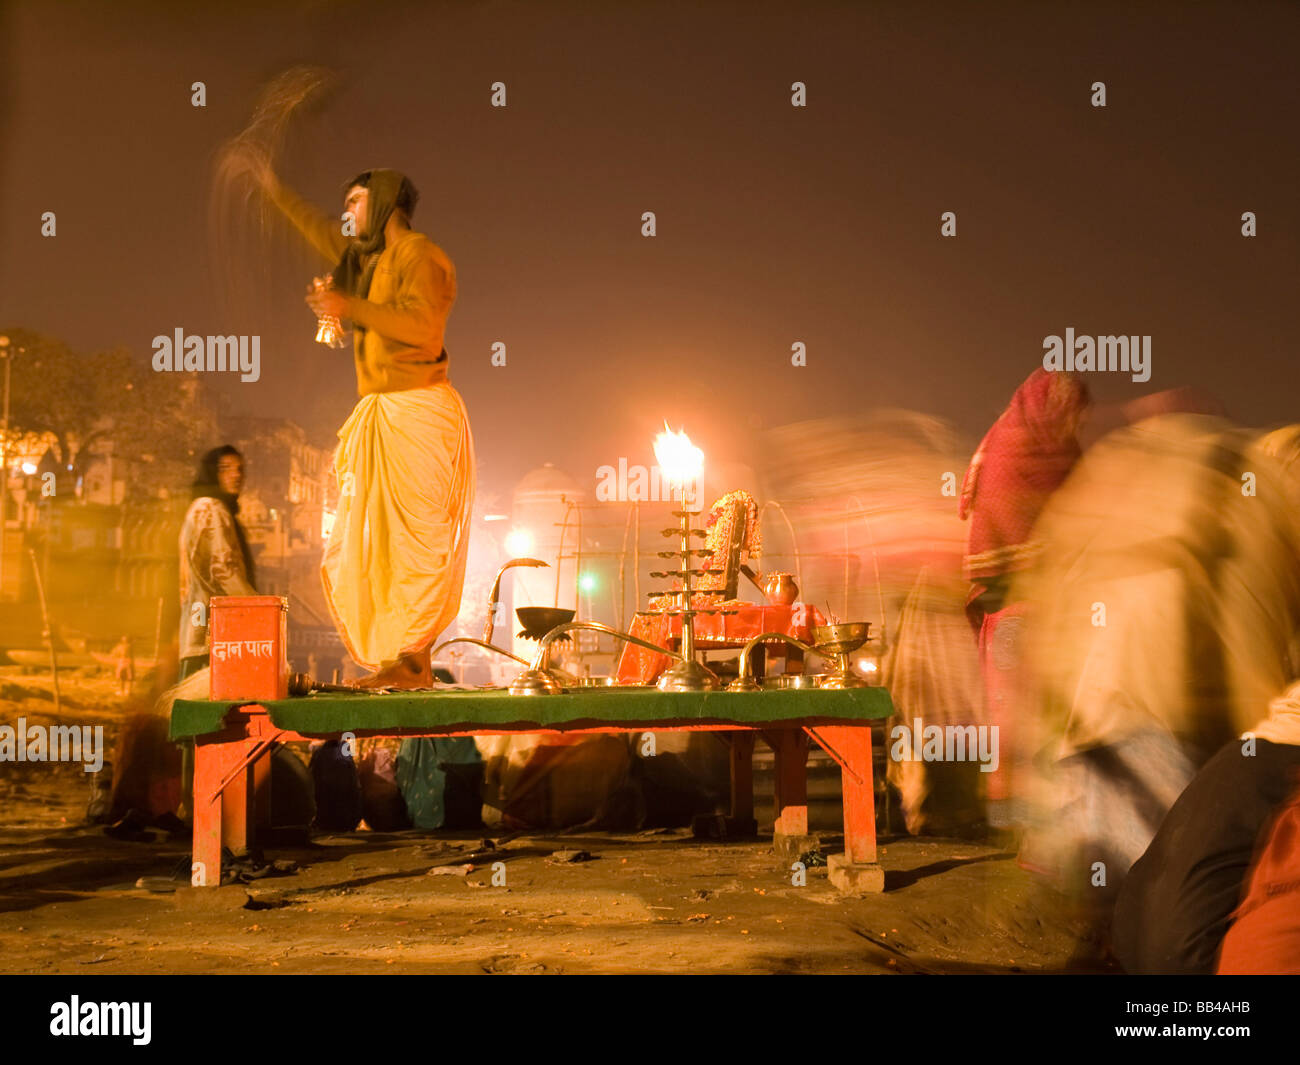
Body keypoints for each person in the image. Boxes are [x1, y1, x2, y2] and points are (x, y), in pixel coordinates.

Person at [239, 154, 475, 689]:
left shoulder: (420, 255)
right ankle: (401, 660)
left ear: (386, 202)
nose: (343, 211)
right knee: (376, 547)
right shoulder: (365, 260)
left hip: (419, 411)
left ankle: (413, 663)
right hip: (384, 412)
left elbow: (423, 327)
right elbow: (317, 228)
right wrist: (273, 187)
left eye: (354, 202)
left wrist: (350, 307)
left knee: (416, 548)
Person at [958, 368, 1090, 824]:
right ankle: (1027, 820)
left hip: (1015, 608)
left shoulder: (1011, 437)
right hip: (1025, 608)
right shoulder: (1026, 445)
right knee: (1030, 710)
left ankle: (1017, 813)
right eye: (1070, 410)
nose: (1073, 421)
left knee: (1019, 707)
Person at [178, 446, 257, 679]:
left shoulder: (199, 507)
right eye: (226, 469)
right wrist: (260, 608)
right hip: (213, 634)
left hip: (198, 623)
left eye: (240, 469)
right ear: (212, 473)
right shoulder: (211, 508)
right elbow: (223, 568)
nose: (236, 475)